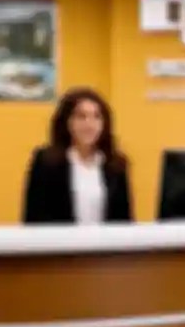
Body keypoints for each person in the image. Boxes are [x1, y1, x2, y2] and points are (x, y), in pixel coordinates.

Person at [22, 88, 133, 225]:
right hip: (60, 238)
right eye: (81, 116)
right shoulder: (46, 162)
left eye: (97, 116)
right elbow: (34, 218)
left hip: (105, 239)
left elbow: (124, 220)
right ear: (67, 121)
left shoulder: (115, 165)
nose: (89, 124)